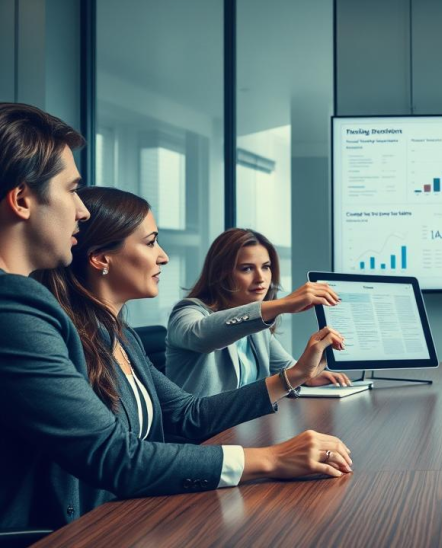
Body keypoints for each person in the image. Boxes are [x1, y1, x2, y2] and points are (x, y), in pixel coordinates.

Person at [0, 102, 351, 531]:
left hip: (120, 516)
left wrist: (294, 376)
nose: (81, 209)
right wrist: (270, 458)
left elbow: (185, 417)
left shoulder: (115, 331)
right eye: (72, 190)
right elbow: (112, 456)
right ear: (21, 200)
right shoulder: (17, 309)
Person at [166, 228, 350, 396]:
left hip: (246, 426)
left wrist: (310, 375)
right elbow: (200, 336)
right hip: (205, 431)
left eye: (266, 267)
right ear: (220, 274)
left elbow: (287, 369)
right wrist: (283, 304)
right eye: (247, 269)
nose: (261, 278)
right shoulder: (186, 310)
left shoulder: (257, 327)